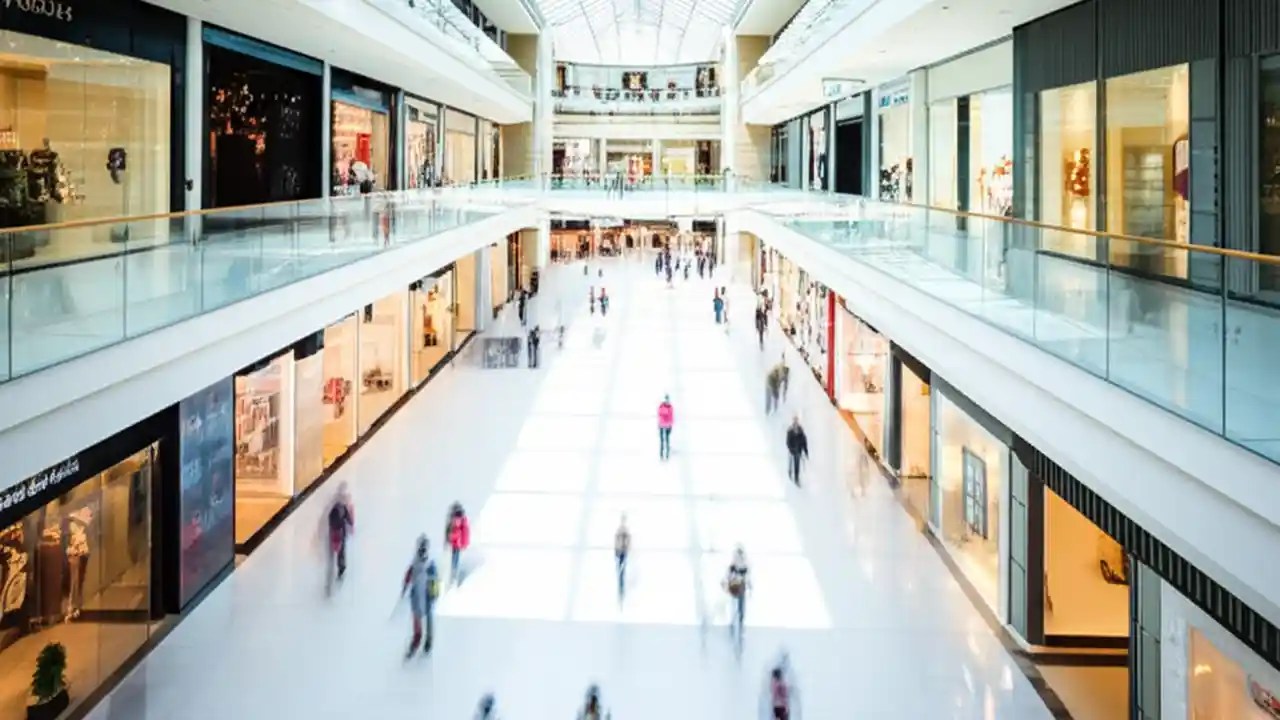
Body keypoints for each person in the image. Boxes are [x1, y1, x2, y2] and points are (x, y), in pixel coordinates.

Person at [401, 534, 440, 657]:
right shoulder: (416, 562)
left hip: (427, 595)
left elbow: (434, 580)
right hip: (417, 596)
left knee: (428, 617)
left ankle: (428, 640)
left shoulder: (430, 565)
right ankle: (417, 639)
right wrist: (406, 584)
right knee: (417, 618)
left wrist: (434, 594)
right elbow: (410, 573)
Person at [325, 482, 355, 594]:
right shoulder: (342, 507)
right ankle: (341, 569)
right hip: (340, 532)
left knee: (337, 551)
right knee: (341, 551)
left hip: (335, 532)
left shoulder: (335, 508)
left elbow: (330, 519)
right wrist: (350, 525)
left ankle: (339, 569)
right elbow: (349, 519)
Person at [724, 545, 750, 638]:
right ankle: (734, 623)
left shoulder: (744, 566)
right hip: (735, 587)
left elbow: (747, 577)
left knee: (740, 608)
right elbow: (728, 576)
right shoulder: (733, 566)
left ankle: (739, 624)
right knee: (735, 607)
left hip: (740, 588)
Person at [445, 503, 471, 583]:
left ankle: (454, 577)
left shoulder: (457, 520)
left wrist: (449, 536)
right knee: (457, 561)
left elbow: (457, 533)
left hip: (456, 545)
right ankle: (456, 576)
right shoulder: (464, 519)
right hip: (461, 544)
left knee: (454, 563)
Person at [785, 416, 809, 486]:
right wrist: (790, 449)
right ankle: (789, 472)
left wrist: (805, 451)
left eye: (797, 420)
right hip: (792, 449)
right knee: (791, 462)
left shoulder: (801, 429)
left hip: (798, 450)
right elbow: (788, 441)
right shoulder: (790, 430)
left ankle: (796, 477)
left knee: (797, 464)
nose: (796, 422)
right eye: (794, 420)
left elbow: (804, 441)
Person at [614, 514, 631, 599]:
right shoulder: (622, 530)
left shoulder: (622, 530)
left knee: (621, 570)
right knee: (621, 570)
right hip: (621, 551)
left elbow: (626, 540)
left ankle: (621, 589)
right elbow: (618, 540)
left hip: (622, 551)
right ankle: (621, 589)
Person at [657, 394, 674, 460]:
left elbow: (670, 416)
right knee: (664, 440)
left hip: (665, 425)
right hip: (664, 425)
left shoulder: (663, 406)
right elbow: (670, 416)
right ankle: (663, 454)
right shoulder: (667, 407)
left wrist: (670, 425)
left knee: (665, 440)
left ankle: (665, 454)